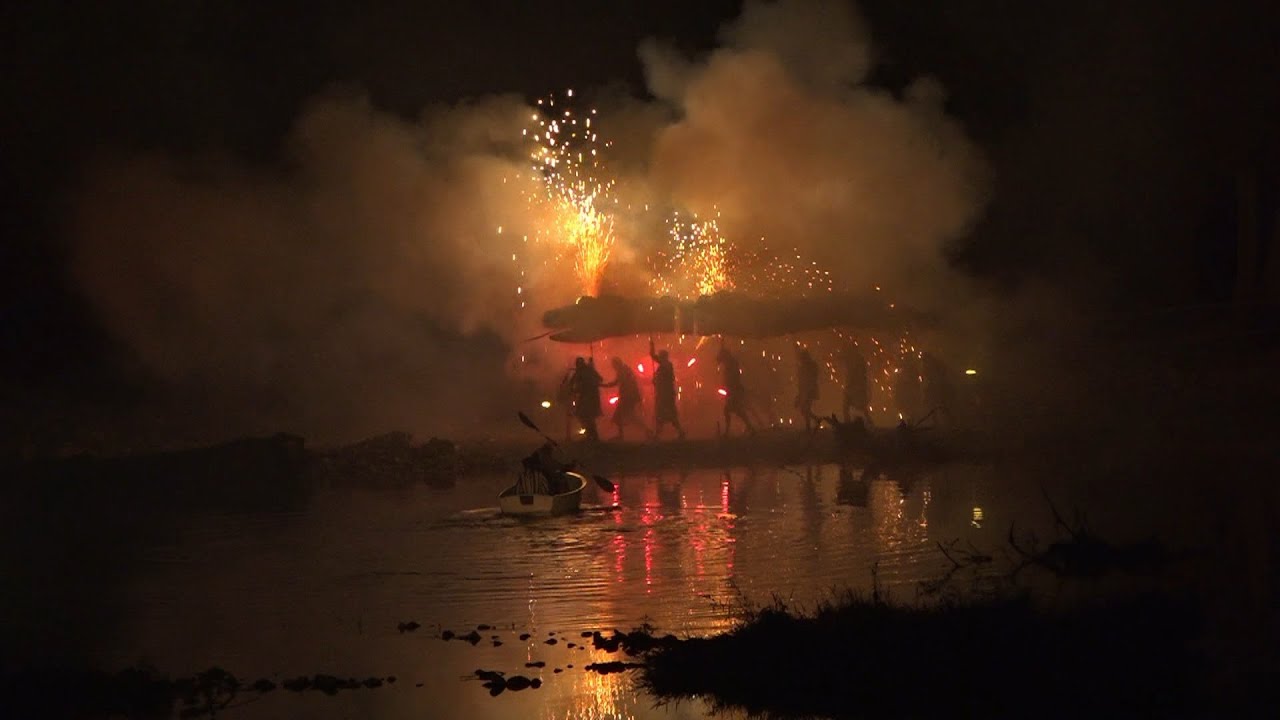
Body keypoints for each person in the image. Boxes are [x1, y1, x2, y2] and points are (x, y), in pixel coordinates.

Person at [601, 356, 648, 441]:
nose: (613, 367)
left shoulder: (623, 371)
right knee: (626, 416)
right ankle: (622, 435)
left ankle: (622, 435)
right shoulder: (625, 369)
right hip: (629, 397)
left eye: (613, 365)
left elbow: (617, 383)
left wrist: (604, 385)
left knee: (622, 416)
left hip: (628, 397)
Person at [649, 338, 686, 440]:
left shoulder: (667, 365)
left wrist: (657, 380)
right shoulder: (664, 365)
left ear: (663, 357)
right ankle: (659, 434)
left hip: (666, 395)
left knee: (668, 414)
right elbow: (653, 357)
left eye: (660, 356)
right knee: (662, 414)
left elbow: (666, 380)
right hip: (663, 394)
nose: (658, 358)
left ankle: (678, 432)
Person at [717, 345, 756, 436]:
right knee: (738, 411)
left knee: (730, 410)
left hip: (734, 390)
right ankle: (750, 428)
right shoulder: (730, 363)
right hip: (733, 390)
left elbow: (733, 378)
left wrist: (731, 389)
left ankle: (728, 431)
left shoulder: (731, 364)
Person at [569, 356, 603, 441]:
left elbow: (599, 379)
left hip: (589, 396)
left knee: (586, 415)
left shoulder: (587, 370)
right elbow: (572, 382)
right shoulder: (585, 370)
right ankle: (591, 435)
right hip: (587, 396)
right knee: (585, 416)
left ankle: (593, 436)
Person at [841, 344, 870, 424]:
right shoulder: (852, 360)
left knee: (862, 407)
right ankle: (848, 424)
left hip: (856, 387)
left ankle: (869, 422)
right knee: (846, 407)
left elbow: (861, 374)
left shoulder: (859, 360)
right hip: (851, 387)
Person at [795, 346, 820, 432]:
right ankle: (815, 420)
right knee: (804, 409)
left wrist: (806, 389)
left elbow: (812, 378)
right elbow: (801, 380)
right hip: (805, 390)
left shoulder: (811, 366)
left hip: (809, 390)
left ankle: (809, 426)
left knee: (806, 408)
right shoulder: (804, 366)